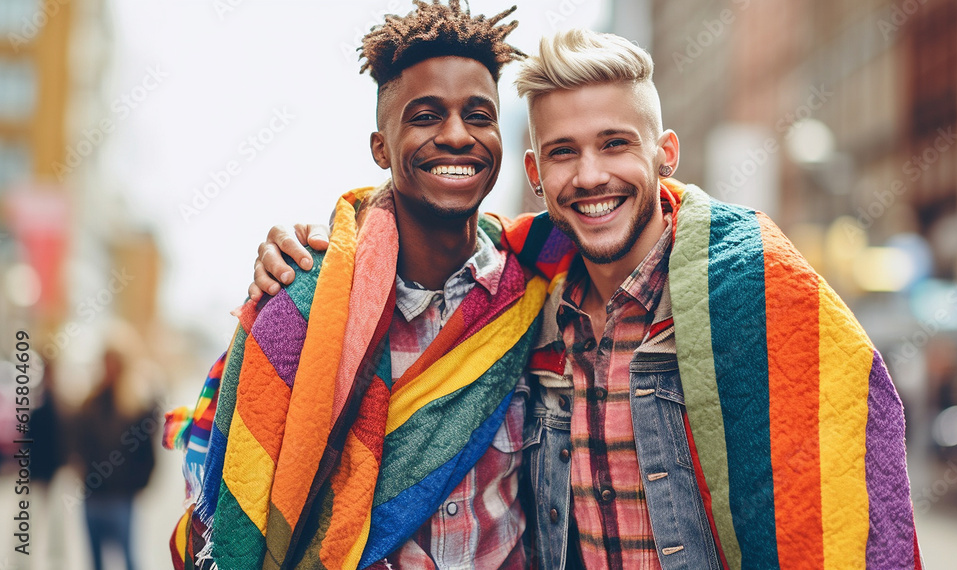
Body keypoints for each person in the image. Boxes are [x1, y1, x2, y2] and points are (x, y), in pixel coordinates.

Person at [256, 29, 921, 569]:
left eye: (615, 144)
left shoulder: (752, 291)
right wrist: (317, 256)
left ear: (665, 154)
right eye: (565, 153)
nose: (592, 175)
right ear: (536, 176)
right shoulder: (522, 303)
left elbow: (848, 484)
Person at [165, 2, 547, 568]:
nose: (457, 135)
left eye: (479, 115)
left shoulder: (540, 287)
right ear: (380, 147)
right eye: (425, 116)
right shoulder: (306, 300)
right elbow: (228, 503)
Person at [74, 326, 158, 570]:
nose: (108, 367)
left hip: (121, 498)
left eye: (113, 361)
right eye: (105, 360)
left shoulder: (137, 405)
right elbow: (79, 443)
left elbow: (147, 456)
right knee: (95, 562)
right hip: (93, 496)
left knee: (129, 560)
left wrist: (134, 486)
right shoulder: (91, 402)